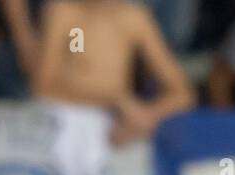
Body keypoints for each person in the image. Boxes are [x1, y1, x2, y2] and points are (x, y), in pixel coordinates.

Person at [32, 0, 196, 145]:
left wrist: (146, 116)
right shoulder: (64, 12)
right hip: (64, 117)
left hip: (116, 126)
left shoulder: (134, 18)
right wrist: (114, 100)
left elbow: (183, 93)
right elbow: (44, 86)